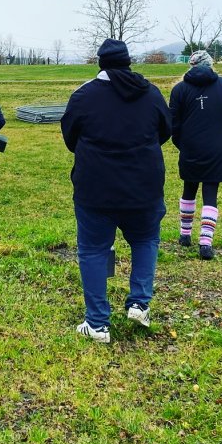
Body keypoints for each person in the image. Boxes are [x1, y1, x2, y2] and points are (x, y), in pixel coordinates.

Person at [61, 38, 171, 344]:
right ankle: (139, 302)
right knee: (145, 239)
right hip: (144, 187)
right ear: (128, 61)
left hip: (96, 189)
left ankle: (97, 323)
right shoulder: (150, 94)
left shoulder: (84, 96)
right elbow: (166, 129)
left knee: (94, 250)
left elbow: (70, 137)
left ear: (101, 63)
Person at [169, 50, 222, 261]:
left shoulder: (179, 89)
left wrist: (180, 143)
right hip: (218, 147)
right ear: (211, 65)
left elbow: (173, 122)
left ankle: (185, 235)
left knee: (189, 187)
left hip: (190, 146)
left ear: (191, 65)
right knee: (210, 192)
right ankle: (205, 243)